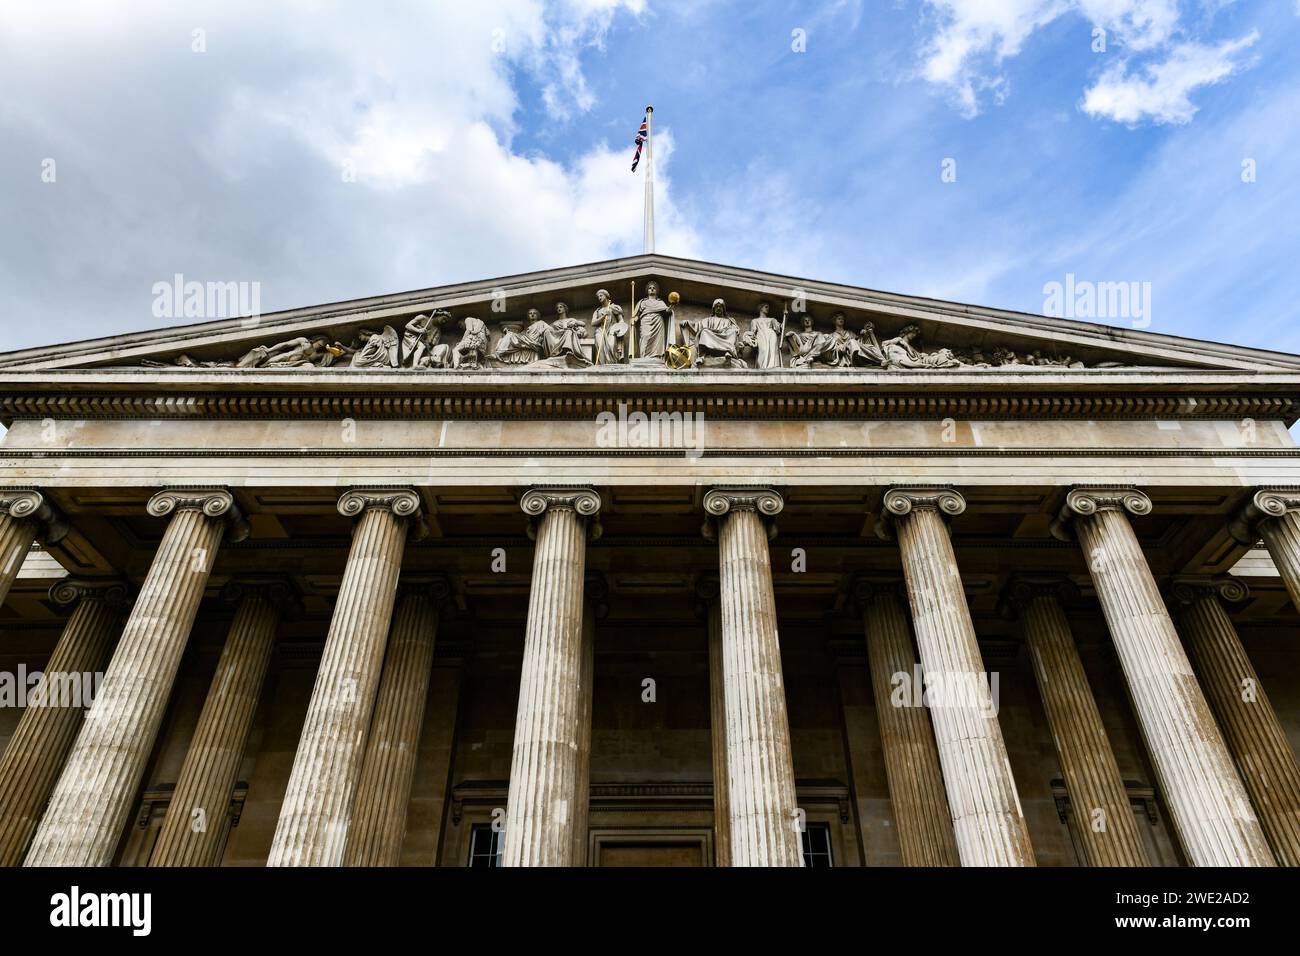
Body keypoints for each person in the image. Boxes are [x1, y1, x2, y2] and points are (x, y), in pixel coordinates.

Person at [631, 280, 672, 362]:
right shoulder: (642, 302)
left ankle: (656, 357)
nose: (652, 289)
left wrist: (672, 305)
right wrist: (634, 319)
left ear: (656, 291)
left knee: (657, 342)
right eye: (650, 288)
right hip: (645, 321)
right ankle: (644, 357)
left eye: (654, 288)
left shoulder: (660, 302)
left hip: (658, 322)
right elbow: (637, 314)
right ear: (647, 291)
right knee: (645, 337)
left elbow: (667, 311)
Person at [741, 303, 783, 369]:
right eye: (766, 307)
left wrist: (786, 316)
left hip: (771, 335)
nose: (767, 309)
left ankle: (773, 366)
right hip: (761, 336)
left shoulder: (772, 319)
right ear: (761, 308)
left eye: (768, 307)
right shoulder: (755, 321)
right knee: (762, 350)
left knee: (773, 351)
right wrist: (747, 338)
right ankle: (761, 367)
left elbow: (780, 328)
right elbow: (752, 333)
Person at [591, 289, 627, 364]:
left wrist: (620, 329)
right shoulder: (598, 311)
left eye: (601, 295)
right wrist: (603, 316)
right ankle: (601, 365)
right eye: (598, 297)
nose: (599, 298)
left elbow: (621, 321)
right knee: (600, 346)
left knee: (611, 345)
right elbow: (593, 323)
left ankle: (612, 365)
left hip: (612, 330)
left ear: (606, 296)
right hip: (600, 331)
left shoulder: (614, 307)